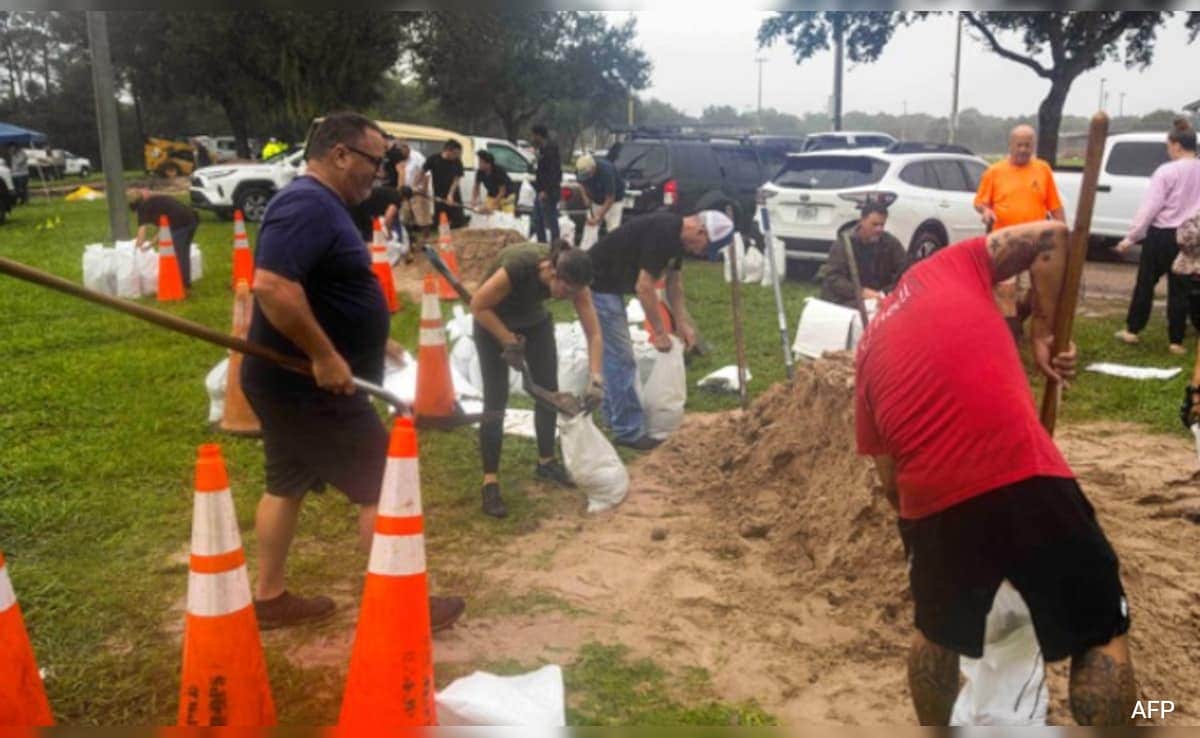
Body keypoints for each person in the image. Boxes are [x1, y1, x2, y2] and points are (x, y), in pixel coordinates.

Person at [856, 220, 1136, 726]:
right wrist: (1044, 330)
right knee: (1099, 631)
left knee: (936, 633)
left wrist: (923, 537)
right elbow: (1052, 235)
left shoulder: (868, 346)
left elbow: (890, 480)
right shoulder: (949, 265)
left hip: (932, 502)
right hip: (1021, 471)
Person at [239, 112, 464, 631]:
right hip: (306, 382)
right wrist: (324, 354)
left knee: (286, 483)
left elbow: (323, 287)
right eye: (374, 160)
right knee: (384, 482)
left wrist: (373, 338)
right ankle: (399, 607)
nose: (379, 173)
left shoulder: (325, 206)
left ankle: (270, 599)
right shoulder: (305, 204)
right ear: (340, 154)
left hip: (291, 380)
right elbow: (272, 286)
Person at [469, 240, 604, 518]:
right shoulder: (519, 266)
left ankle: (546, 462)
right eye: (566, 291)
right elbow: (478, 305)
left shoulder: (575, 281)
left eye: (576, 292)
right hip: (493, 321)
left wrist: (596, 377)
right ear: (553, 273)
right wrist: (508, 341)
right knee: (496, 400)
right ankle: (490, 482)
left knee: (547, 391)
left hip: (535, 323)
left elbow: (595, 334)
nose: (570, 298)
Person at [588, 209, 733, 450]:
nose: (700, 253)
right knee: (621, 357)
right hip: (597, 282)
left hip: (610, 283)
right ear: (700, 231)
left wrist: (682, 322)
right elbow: (644, 287)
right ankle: (628, 431)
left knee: (614, 356)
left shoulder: (676, 239)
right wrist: (659, 332)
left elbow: (674, 284)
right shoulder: (664, 232)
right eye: (704, 246)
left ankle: (613, 419)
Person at [1113, 118, 1200, 354]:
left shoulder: (1166, 171)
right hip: (1191, 236)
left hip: (1163, 234)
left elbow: (1150, 208)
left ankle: (1133, 330)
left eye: (1168, 146)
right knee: (1180, 288)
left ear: (1176, 145)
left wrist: (1130, 238)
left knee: (1146, 283)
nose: (1168, 150)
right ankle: (1176, 341)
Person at [973, 125, 1065, 338]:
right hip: (1006, 242)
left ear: (1033, 146)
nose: (1024, 150)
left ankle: (1018, 319)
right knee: (1006, 291)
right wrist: (986, 211)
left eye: (1028, 145)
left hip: (1037, 242)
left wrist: (1063, 235)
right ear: (1011, 145)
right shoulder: (994, 171)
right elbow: (980, 202)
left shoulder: (1043, 169)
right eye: (1020, 145)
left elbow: (1055, 206)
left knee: (1038, 292)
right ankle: (1009, 336)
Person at [819, 202, 908, 309]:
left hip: (880, 298)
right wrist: (861, 292)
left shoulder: (890, 243)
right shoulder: (844, 244)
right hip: (848, 300)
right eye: (874, 224)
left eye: (882, 225)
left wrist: (884, 293)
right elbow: (833, 278)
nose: (879, 229)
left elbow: (907, 271)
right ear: (862, 221)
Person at [126, 188, 200, 289]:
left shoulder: (143, 208)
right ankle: (185, 282)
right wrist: (151, 244)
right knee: (183, 253)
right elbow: (164, 228)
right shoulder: (154, 203)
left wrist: (134, 247)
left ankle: (182, 285)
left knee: (178, 254)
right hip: (191, 219)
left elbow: (141, 235)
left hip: (181, 224)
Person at [574, 153, 626, 237]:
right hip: (596, 199)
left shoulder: (606, 171)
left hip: (614, 200)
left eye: (588, 174)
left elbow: (610, 198)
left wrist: (598, 217)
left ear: (593, 168)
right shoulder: (580, 169)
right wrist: (585, 197)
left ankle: (613, 249)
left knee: (613, 229)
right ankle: (586, 249)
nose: (586, 177)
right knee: (590, 226)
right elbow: (581, 183)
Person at [419, 139, 466, 228]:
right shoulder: (433, 159)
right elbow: (422, 172)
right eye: (455, 153)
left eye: (458, 154)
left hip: (453, 194)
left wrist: (450, 195)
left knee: (457, 221)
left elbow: (456, 179)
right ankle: (444, 238)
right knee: (441, 220)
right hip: (439, 195)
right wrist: (417, 185)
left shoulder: (457, 161)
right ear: (448, 150)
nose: (457, 156)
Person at [530, 124, 562, 243]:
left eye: (533, 135)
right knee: (538, 221)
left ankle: (556, 246)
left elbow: (554, 174)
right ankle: (542, 245)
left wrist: (546, 191)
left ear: (539, 135)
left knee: (551, 221)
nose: (532, 138)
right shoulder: (543, 149)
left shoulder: (551, 150)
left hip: (549, 193)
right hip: (541, 191)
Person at [395, 140, 433, 241]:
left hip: (418, 192)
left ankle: (427, 240)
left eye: (401, 149)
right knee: (405, 219)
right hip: (405, 192)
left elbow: (427, 174)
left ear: (406, 147)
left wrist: (423, 190)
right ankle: (409, 241)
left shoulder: (417, 157)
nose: (399, 152)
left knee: (423, 220)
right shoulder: (400, 159)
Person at [470, 150, 515, 214]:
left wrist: (491, 205)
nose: (479, 164)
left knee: (507, 218)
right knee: (487, 213)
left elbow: (502, 192)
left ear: (488, 164)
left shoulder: (499, 171)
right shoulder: (480, 172)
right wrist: (473, 200)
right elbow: (476, 187)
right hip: (492, 195)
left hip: (506, 196)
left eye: (481, 162)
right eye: (479, 162)